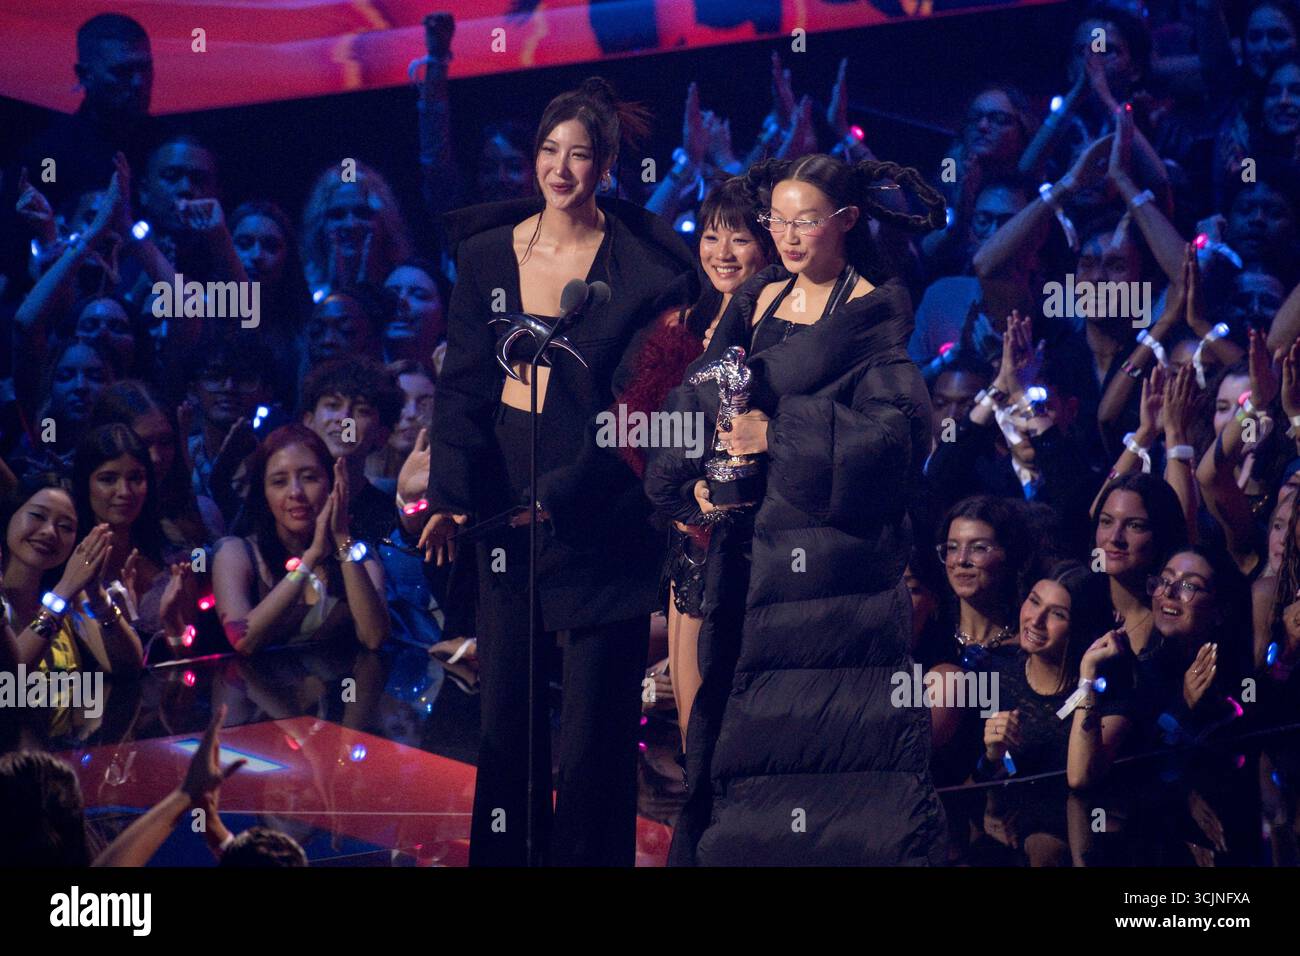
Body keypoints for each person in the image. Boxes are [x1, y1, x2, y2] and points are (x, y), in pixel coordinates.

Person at [418, 77, 694, 866]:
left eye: (579, 155)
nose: (560, 169)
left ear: (606, 165)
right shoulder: (486, 254)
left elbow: (636, 409)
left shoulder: (647, 271)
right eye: (548, 151)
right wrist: (451, 497)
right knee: (506, 722)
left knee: (594, 737)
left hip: (601, 508)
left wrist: (561, 495)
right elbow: (464, 386)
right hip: (505, 507)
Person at [646, 151, 949, 865]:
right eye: (776, 221)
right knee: (739, 765)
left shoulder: (872, 322)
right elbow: (699, 399)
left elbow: (896, 447)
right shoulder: (757, 301)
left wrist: (778, 435)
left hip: (832, 589)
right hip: (746, 567)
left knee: (828, 765)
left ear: (846, 221)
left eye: (805, 221)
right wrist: (689, 480)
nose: (786, 236)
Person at [629, 177, 775, 752]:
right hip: (687, 539)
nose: (722, 253)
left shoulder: (782, 330)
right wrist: (684, 491)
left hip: (756, 547)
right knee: (694, 734)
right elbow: (637, 430)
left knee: (737, 731)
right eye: (712, 237)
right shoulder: (682, 327)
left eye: (739, 238)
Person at [211, 424, 389, 654]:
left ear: (332, 484)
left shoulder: (359, 553)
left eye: (309, 478)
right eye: (279, 482)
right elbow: (243, 641)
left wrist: (341, 537)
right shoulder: (235, 552)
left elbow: (374, 637)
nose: (295, 492)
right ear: (263, 492)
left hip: (345, 678)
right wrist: (310, 559)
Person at [979, 560, 1113, 781]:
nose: (1036, 620)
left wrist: (1088, 675)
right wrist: (994, 756)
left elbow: (1081, 778)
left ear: (1080, 627)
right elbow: (975, 782)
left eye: (1058, 614)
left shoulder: (1110, 690)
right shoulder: (995, 670)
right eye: (1034, 601)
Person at [0, 478, 143, 675]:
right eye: (38, 516)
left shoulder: (73, 598)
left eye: (66, 527)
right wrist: (62, 594)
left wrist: (97, 595)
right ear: (9, 517)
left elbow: (130, 667)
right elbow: (11, 677)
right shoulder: (64, 592)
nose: (50, 532)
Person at [299, 356, 403, 545]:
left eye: (361, 411)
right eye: (333, 405)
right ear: (309, 421)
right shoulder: (288, 501)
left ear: (382, 434)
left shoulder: (391, 520)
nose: (344, 419)